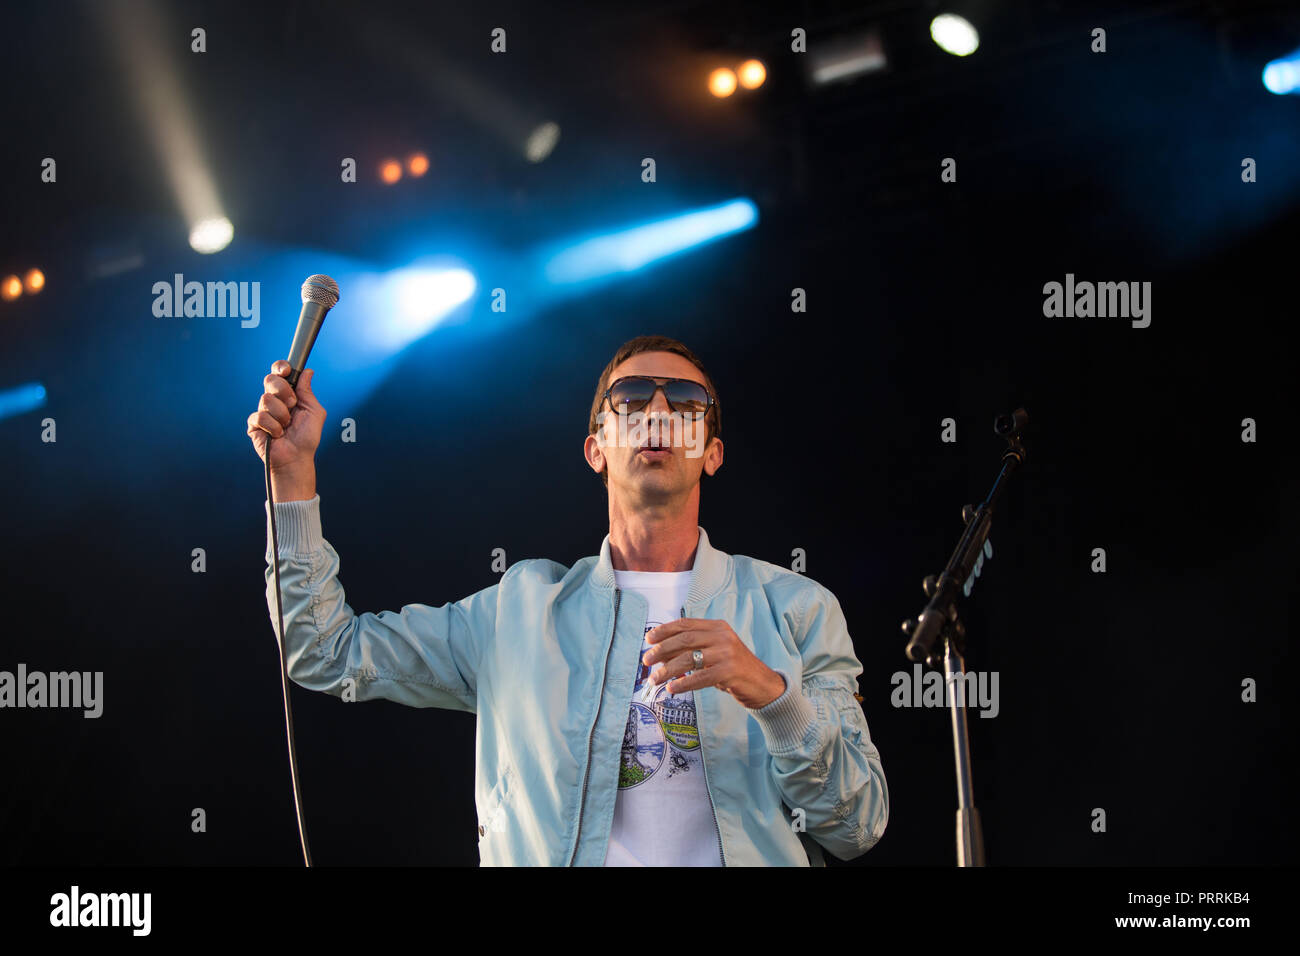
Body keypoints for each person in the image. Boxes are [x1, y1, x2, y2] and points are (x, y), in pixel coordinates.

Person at [248, 334, 888, 866]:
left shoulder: (797, 608)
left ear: (712, 454)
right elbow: (326, 651)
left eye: (688, 401)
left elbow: (857, 825)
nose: (657, 412)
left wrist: (776, 696)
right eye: (630, 398)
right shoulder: (518, 611)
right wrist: (292, 474)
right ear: (596, 451)